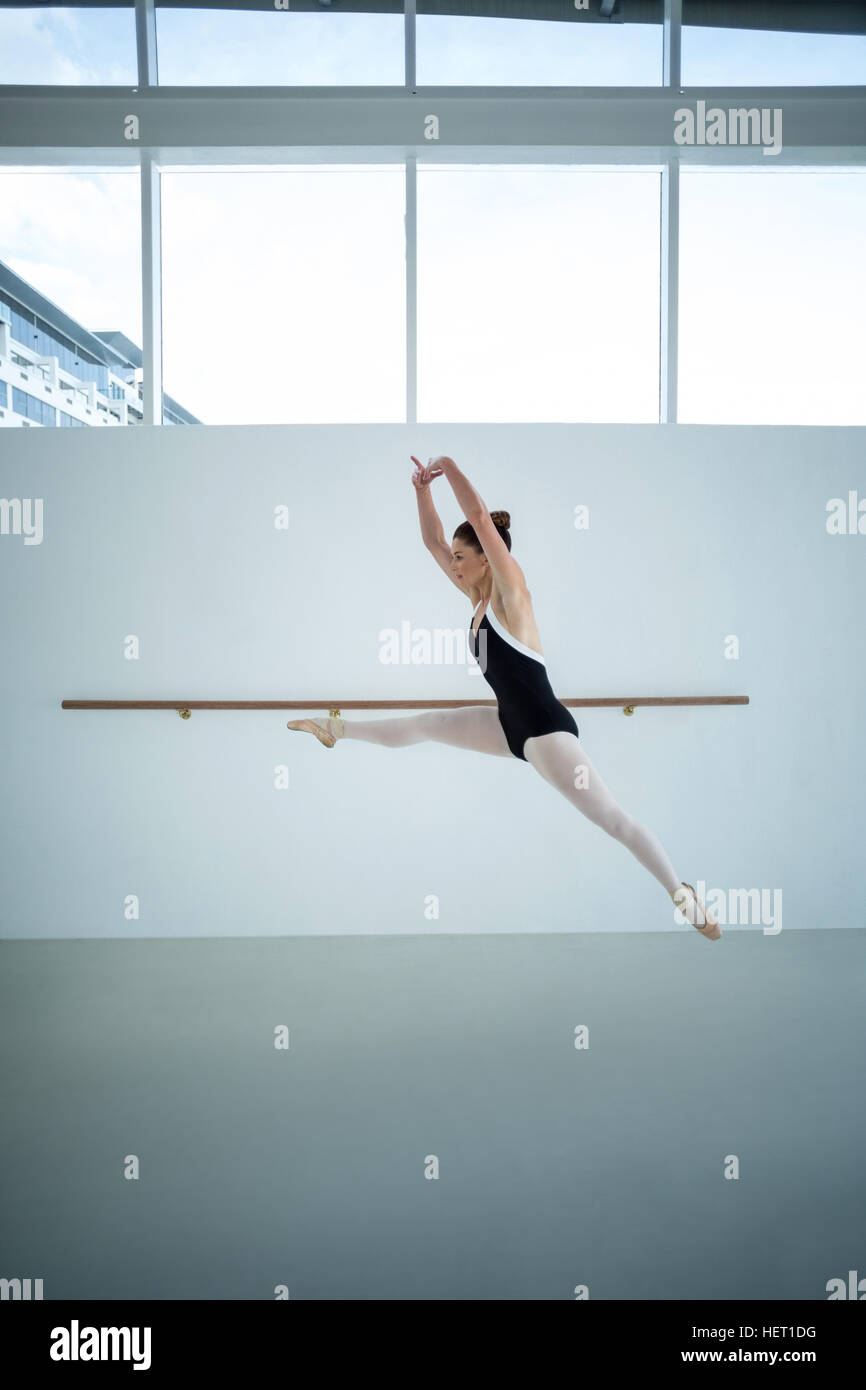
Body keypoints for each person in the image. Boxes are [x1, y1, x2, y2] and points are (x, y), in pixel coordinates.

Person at [288, 454, 721, 940]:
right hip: (509, 725)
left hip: (545, 731)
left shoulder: (510, 592)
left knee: (614, 822)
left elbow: (477, 517)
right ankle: (336, 729)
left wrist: (448, 466)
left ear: (484, 558)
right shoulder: (474, 603)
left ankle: (681, 895)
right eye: (452, 557)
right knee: (429, 724)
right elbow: (430, 540)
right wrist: (420, 491)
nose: (451, 563)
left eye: (459, 556)